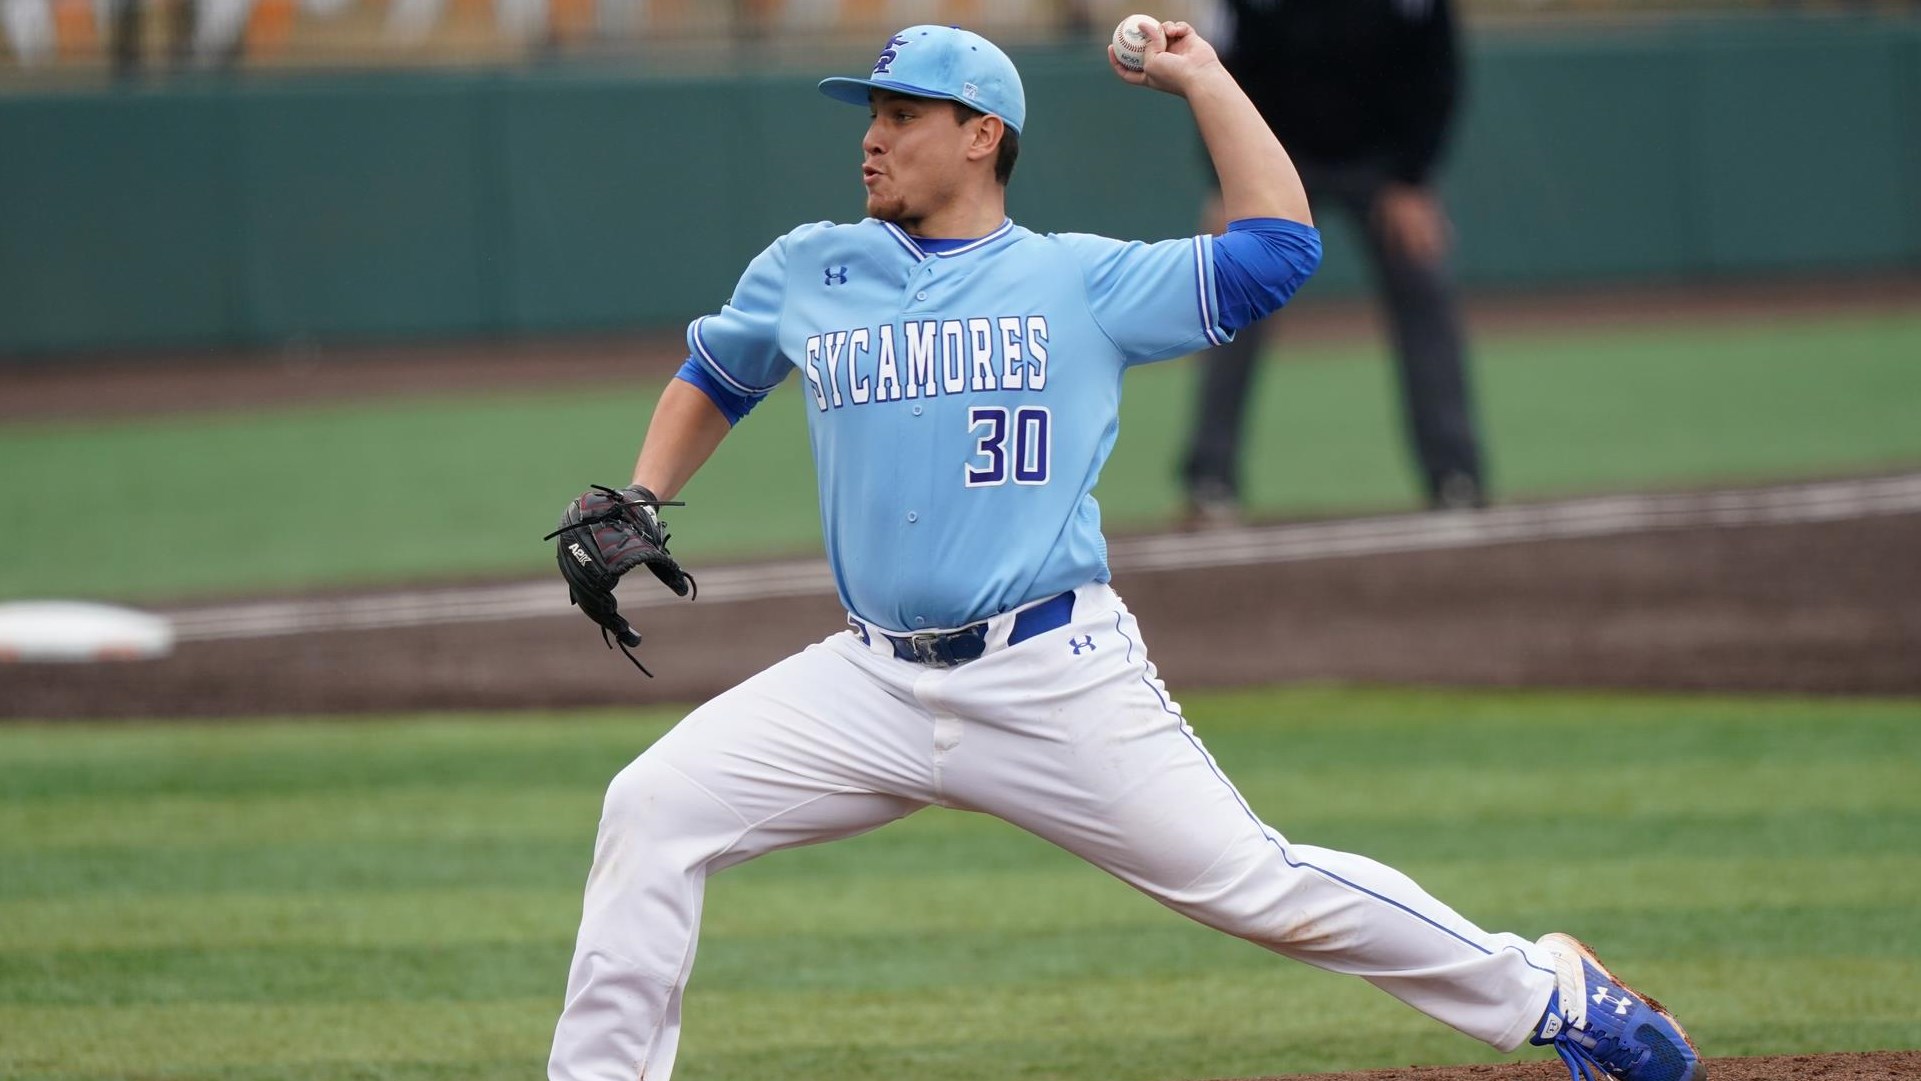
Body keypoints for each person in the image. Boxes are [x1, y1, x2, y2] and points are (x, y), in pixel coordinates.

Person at [546, 21, 1703, 1081]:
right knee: (653, 806)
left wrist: (1204, 79)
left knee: (1260, 887)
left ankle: (1553, 994)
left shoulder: (1080, 282)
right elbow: (719, 375)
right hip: (870, 680)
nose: (872, 138)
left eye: (902, 115)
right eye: (872, 114)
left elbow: (1278, 249)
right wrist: (646, 489)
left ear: (981, 135)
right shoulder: (811, 266)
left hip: (1049, 674)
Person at [1179, 0, 1488, 523]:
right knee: (1233, 298)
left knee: (1424, 289)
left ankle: (1454, 474)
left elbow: (1438, 71)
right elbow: (1222, 73)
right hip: (1275, 160)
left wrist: (1413, 179)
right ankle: (1210, 479)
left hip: (1386, 164)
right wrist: (1226, 182)